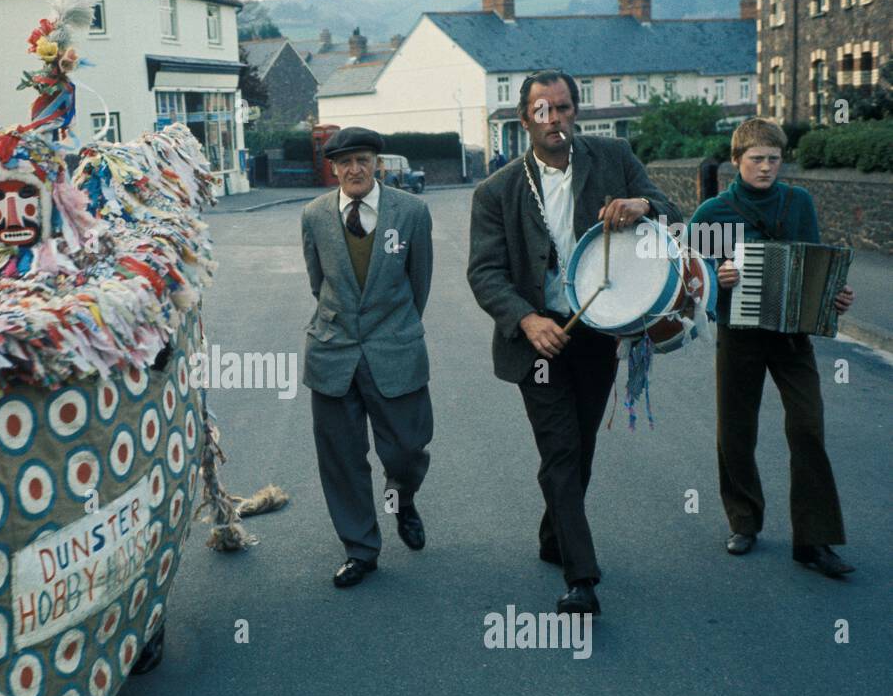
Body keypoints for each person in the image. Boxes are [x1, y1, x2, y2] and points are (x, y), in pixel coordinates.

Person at [467, 70, 680, 616]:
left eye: (563, 108)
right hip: (538, 340)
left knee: (580, 446)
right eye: (543, 111)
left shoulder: (613, 156)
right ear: (525, 120)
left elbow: (670, 210)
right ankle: (581, 577)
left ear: (575, 112)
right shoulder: (496, 192)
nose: (554, 119)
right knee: (560, 447)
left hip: (598, 331)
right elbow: (485, 273)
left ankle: (552, 534)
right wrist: (525, 320)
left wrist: (642, 206)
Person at [688, 118, 855, 577]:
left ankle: (814, 540)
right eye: (757, 159)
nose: (766, 168)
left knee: (808, 427)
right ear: (736, 160)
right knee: (736, 431)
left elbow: (813, 264)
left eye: (774, 159)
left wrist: (835, 296)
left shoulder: (798, 203)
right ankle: (743, 521)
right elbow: (691, 287)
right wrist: (719, 284)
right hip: (739, 335)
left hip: (792, 334)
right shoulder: (713, 215)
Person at [301, 126, 434, 589]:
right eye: (345, 162)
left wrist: (393, 328)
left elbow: (420, 283)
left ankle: (403, 494)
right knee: (341, 456)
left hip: (395, 348)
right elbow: (319, 284)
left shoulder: (412, 212)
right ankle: (361, 549)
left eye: (363, 160)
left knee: (407, 448)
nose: (355, 169)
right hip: (333, 351)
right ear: (333, 168)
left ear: (377, 163)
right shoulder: (314, 216)